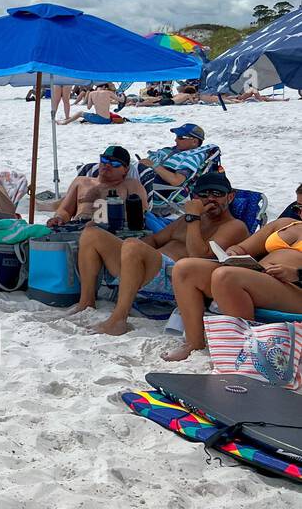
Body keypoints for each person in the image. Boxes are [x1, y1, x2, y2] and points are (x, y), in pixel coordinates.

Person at [68, 172, 248, 335]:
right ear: (195, 198)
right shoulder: (183, 222)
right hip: (147, 267)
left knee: (132, 245)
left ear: (230, 197)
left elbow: (199, 255)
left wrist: (193, 218)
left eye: (217, 194)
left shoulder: (234, 226)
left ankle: (118, 319)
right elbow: (154, 241)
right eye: (204, 194)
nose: (210, 199)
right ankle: (86, 302)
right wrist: (129, 254)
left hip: (176, 277)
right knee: (92, 234)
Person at [164, 215, 302, 361]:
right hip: (262, 277)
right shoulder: (285, 224)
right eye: (299, 207)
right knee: (185, 268)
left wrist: (296, 274)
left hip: (295, 288)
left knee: (225, 276)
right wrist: (233, 253)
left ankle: (243, 350)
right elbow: (242, 247)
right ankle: (193, 343)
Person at [45, 145, 148, 225]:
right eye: (105, 160)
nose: (107, 165)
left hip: (113, 231)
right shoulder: (81, 182)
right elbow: (65, 210)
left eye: (114, 163)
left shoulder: (131, 185)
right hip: (78, 228)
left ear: (125, 170)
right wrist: (59, 218)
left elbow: (143, 214)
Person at [137, 124, 213, 187]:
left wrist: (153, 165)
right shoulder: (176, 151)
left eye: (180, 137)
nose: (175, 140)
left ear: (194, 141)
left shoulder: (191, 158)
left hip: (155, 188)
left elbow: (176, 181)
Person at [56, 83, 127, 124]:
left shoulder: (91, 93)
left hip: (99, 119)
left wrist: (94, 101)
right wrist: (121, 94)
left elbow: (89, 107)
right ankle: (66, 121)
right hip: (107, 120)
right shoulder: (109, 93)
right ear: (104, 87)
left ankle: (65, 122)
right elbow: (121, 100)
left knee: (80, 113)